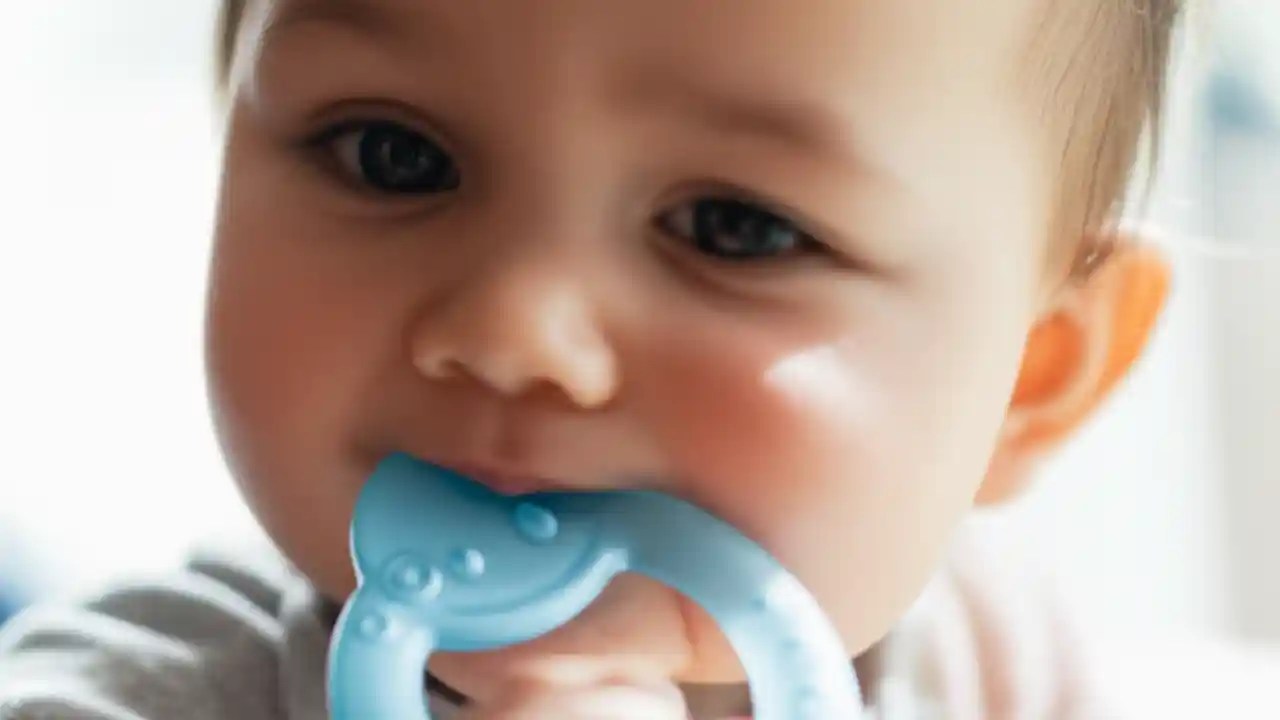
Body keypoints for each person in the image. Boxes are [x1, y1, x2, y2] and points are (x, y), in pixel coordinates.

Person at [0, 0, 1186, 717]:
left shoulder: (1002, 666)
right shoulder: (116, 702)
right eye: (390, 155)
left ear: (1031, 375)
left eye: (736, 229)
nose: (514, 330)